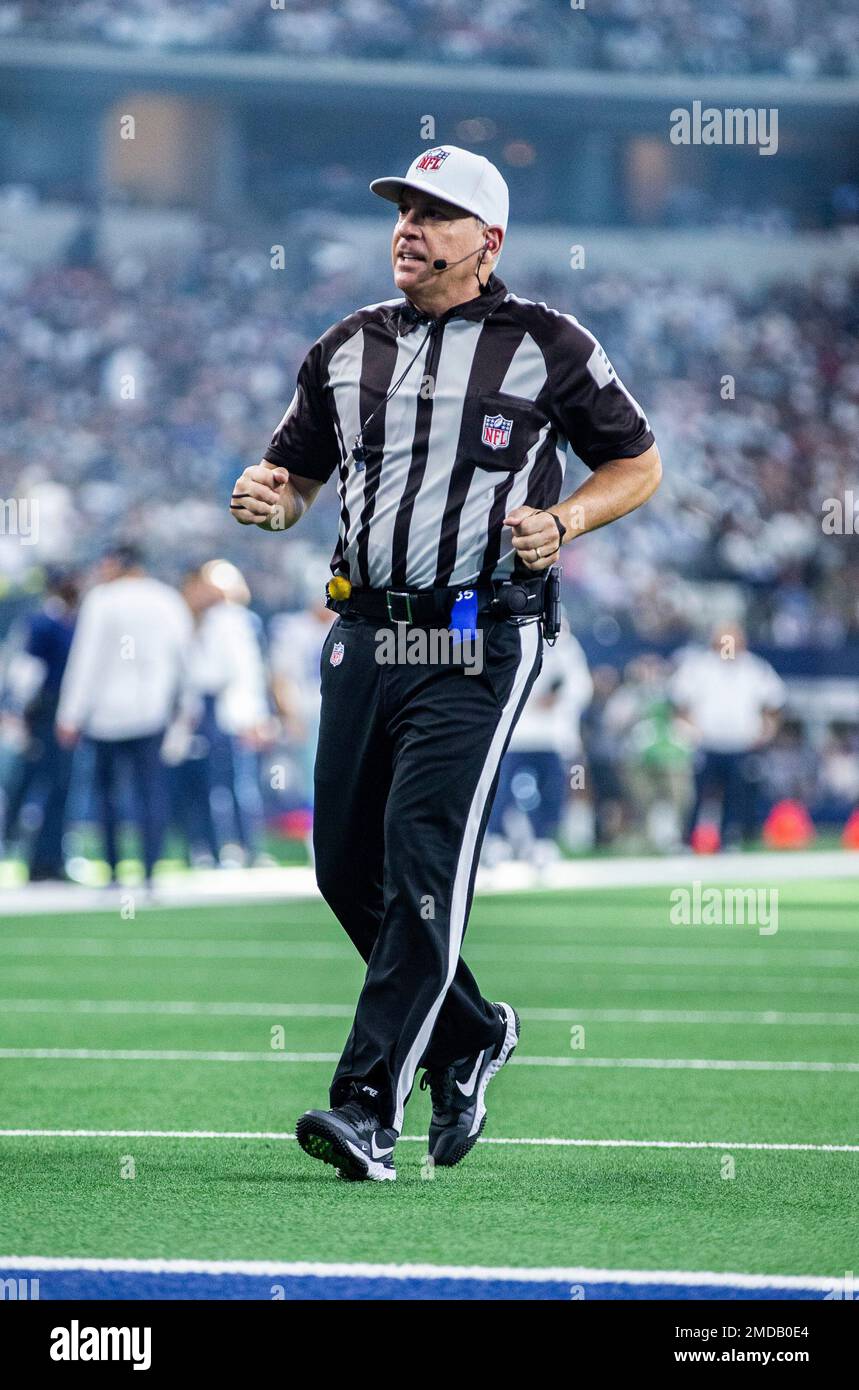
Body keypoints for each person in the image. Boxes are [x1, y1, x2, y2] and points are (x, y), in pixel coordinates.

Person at [231, 144, 661, 1181]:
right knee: (344, 866)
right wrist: (267, 498)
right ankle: (469, 1033)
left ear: (488, 242)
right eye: (402, 210)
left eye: (435, 213)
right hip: (365, 630)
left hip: (477, 636)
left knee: (423, 855)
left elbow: (636, 461)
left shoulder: (548, 343)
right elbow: (294, 476)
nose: (408, 228)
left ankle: (367, 1107)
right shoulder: (345, 346)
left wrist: (564, 519)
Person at [56, 544, 191, 890]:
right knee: (150, 791)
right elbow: (184, 659)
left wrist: (70, 713)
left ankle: (115, 871)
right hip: (152, 711)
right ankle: (149, 871)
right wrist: (185, 707)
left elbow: (85, 660)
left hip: (105, 714)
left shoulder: (102, 600)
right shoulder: (166, 600)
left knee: (107, 794)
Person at [671, 622, 786, 848]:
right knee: (697, 795)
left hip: (740, 744)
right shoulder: (698, 667)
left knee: (736, 795)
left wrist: (765, 731)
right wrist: (689, 732)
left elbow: (775, 702)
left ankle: (728, 839)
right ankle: (688, 840)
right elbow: (679, 703)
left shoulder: (755, 668)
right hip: (706, 743)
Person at [2, 569, 79, 880]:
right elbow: (27, 672)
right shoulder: (45, 623)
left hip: (55, 712)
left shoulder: (58, 622)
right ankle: (43, 859)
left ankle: (47, 857)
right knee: (48, 785)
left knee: (51, 785)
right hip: (48, 713)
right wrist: (18, 711)